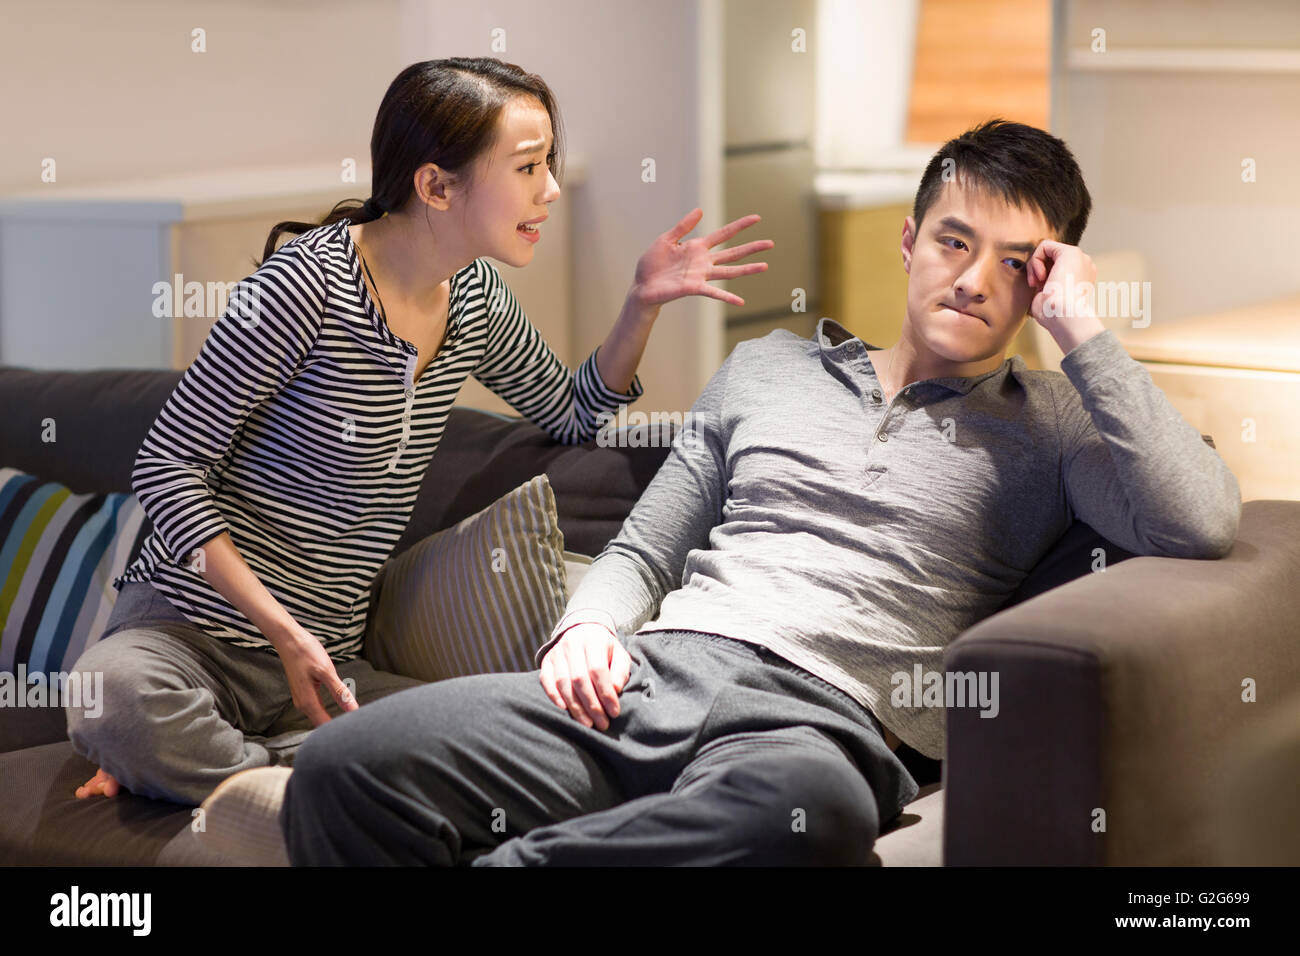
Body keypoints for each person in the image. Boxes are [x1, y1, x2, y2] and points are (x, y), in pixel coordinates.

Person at [274, 118, 1241, 865]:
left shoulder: (1056, 423)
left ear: (1045, 282)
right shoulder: (767, 368)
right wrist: (588, 627)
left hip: (817, 729)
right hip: (649, 683)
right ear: (910, 241)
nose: (974, 279)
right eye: (955, 242)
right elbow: (646, 547)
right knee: (342, 766)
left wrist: (1084, 332)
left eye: (1017, 264)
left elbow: (1199, 521)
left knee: (808, 819)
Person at [64, 56, 772, 807]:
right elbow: (167, 464)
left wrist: (641, 303)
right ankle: (283, 783)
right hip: (192, 638)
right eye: (528, 166)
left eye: (549, 164)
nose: (552, 190)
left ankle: (247, 779)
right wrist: (283, 633)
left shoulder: (473, 298)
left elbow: (572, 412)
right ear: (436, 185)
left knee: (484, 747)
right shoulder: (300, 289)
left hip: (330, 669)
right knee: (112, 696)